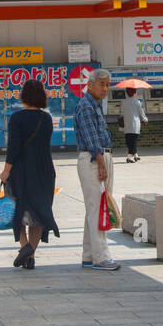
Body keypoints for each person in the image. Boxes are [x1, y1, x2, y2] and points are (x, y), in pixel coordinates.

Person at [0, 80, 59, 270]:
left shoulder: (17, 118)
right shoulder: (46, 118)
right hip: (44, 171)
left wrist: (6, 170)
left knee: (19, 210)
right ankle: (31, 254)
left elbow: (14, 148)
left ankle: (25, 247)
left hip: (22, 171)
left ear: (23, 96)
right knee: (40, 211)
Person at [74, 67, 119, 270]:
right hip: (93, 159)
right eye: (102, 84)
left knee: (93, 208)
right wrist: (101, 164)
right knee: (97, 208)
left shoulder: (96, 105)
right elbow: (92, 140)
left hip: (100, 158)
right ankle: (101, 257)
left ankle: (89, 254)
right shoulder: (86, 106)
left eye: (108, 84)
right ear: (89, 85)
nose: (105, 88)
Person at [121, 86, 148, 163]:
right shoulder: (137, 102)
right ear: (135, 93)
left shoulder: (123, 102)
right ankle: (129, 157)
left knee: (129, 140)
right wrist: (145, 120)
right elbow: (141, 113)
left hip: (126, 124)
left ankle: (136, 155)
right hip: (135, 124)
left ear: (126, 93)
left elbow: (122, 114)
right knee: (134, 141)